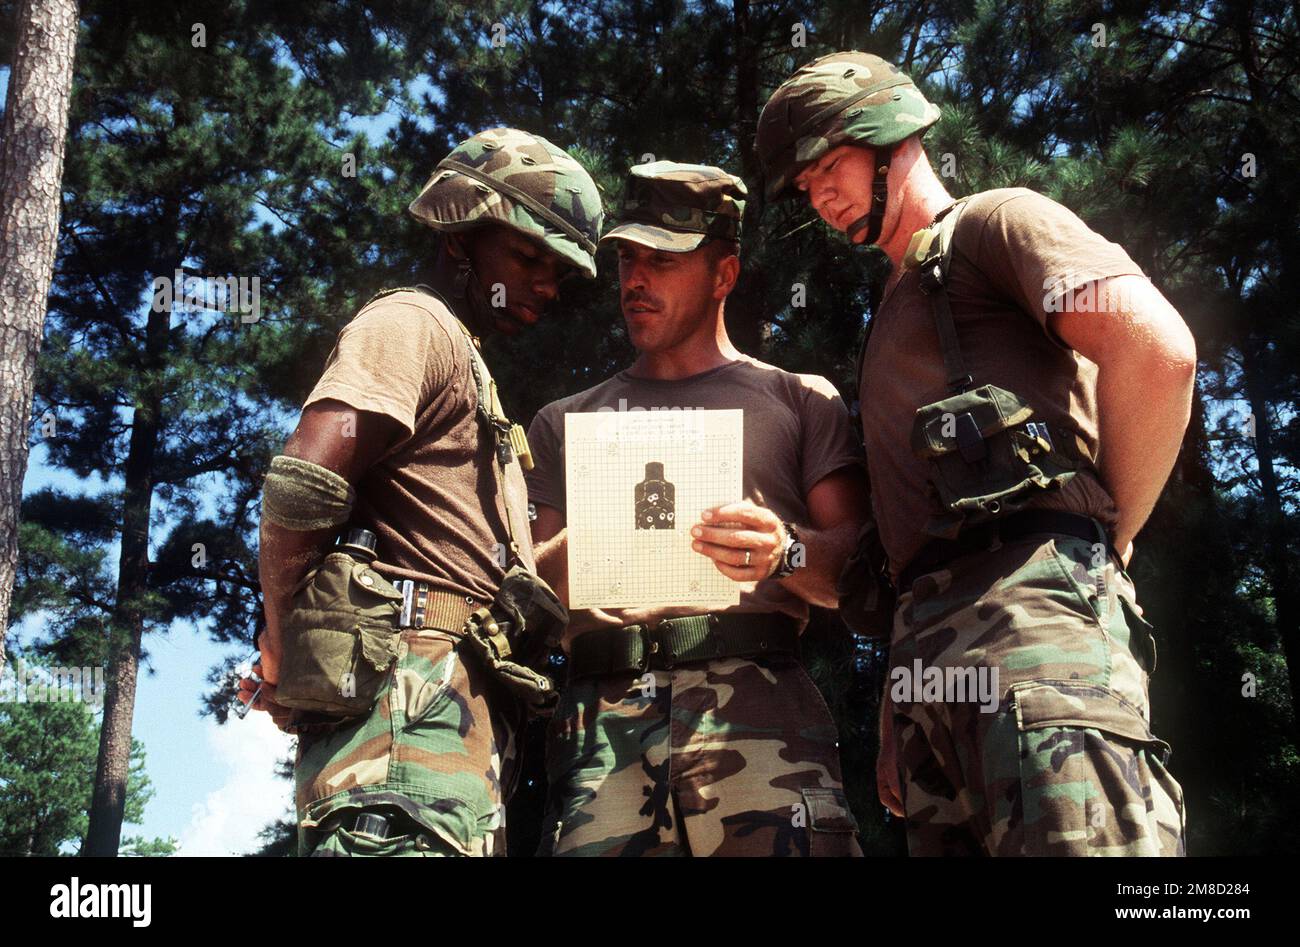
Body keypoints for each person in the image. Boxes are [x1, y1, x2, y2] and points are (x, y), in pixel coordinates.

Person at [756, 51, 1196, 855]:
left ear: (891, 137)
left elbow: (1157, 350)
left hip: (1038, 631)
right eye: (803, 183)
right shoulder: (895, 307)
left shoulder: (996, 222)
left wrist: (1107, 543)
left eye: (829, 164)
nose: (817, 193)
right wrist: (904, 686)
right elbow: (911, 546)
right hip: (934, 669)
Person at [238, 127, 603, 856]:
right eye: (528, 255)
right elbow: (302, 486)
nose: (543, 286)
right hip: (403, 725)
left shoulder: (466, 361)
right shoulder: (413, 323)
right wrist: (284, 645)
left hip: (441, 727)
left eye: (556, 272)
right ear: (459, 236)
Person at [526, 161, 869, 856]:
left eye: (663, 258)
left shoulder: (801, 400)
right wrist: (591, 539)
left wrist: (786, 550)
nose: (635, 280)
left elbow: (860, 578)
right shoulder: (563, 423)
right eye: (627, 258)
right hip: (601, 728)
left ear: (725, 274)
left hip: (763, 719)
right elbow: (520, 603)